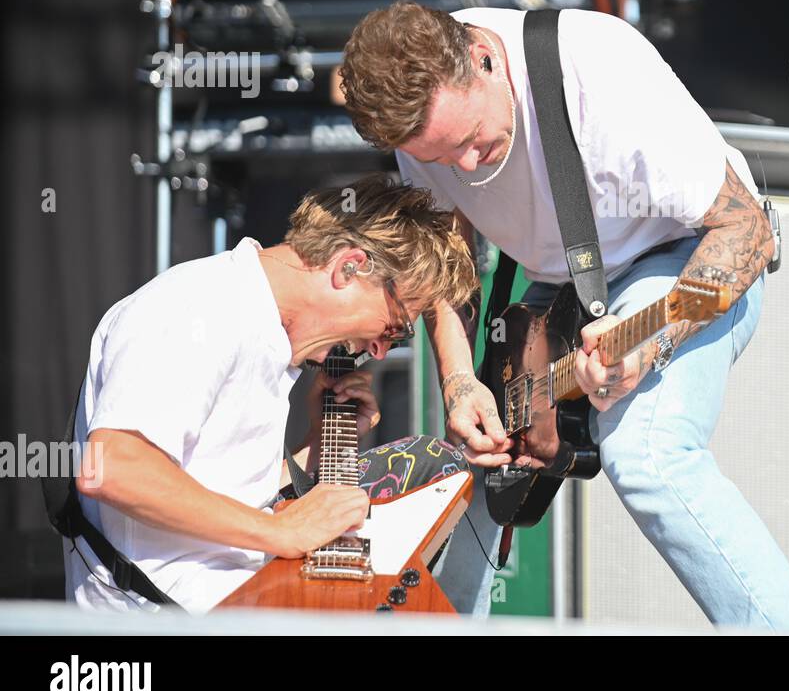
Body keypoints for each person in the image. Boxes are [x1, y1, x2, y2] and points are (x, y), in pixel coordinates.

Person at [339, 1, 789, 631]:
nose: (464, 167)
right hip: (558, 278)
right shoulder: (424, 121)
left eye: (467, 142)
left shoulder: (598, 70)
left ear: (485, 61)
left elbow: (747, 233)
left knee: (645, 452)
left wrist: (649, 343)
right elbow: (449, 256)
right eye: (439, 159)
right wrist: (460, 382)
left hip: (683, 257)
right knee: (479, 462)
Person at [63, 175, 478, 613]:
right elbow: (114, 468)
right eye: (396, 326)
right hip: (170, 614)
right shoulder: (199, 308)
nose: (379, 348)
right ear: (349, 268)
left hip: (243, 593)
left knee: (434, 464)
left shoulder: (266, 334)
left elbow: (220, 488)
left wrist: (314, 447)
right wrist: (277, 532)